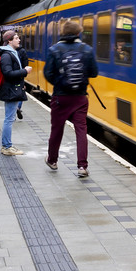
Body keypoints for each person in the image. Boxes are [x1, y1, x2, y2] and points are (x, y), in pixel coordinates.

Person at [43, 20, 99, 177]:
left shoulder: (54, 49)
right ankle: (82, 167)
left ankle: (52, 160)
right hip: (80, 97)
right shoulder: (86, 49)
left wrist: (60, 84)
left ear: (63, 32)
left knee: (57, 129)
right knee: (81, 130)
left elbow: (48, 73)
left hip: (61, 98)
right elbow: (94, 73)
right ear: (78, 33)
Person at [0, 30, 29, 156]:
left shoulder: (11, 53)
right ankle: (6, 146)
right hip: (10, 90)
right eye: (16, 38)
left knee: (9, 118)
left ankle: (7, 145)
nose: (19, 40)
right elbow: (8, 73)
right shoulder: (7, 55)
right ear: (9, 40)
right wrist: (25, 71)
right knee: (9, 119)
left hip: (13, 88)